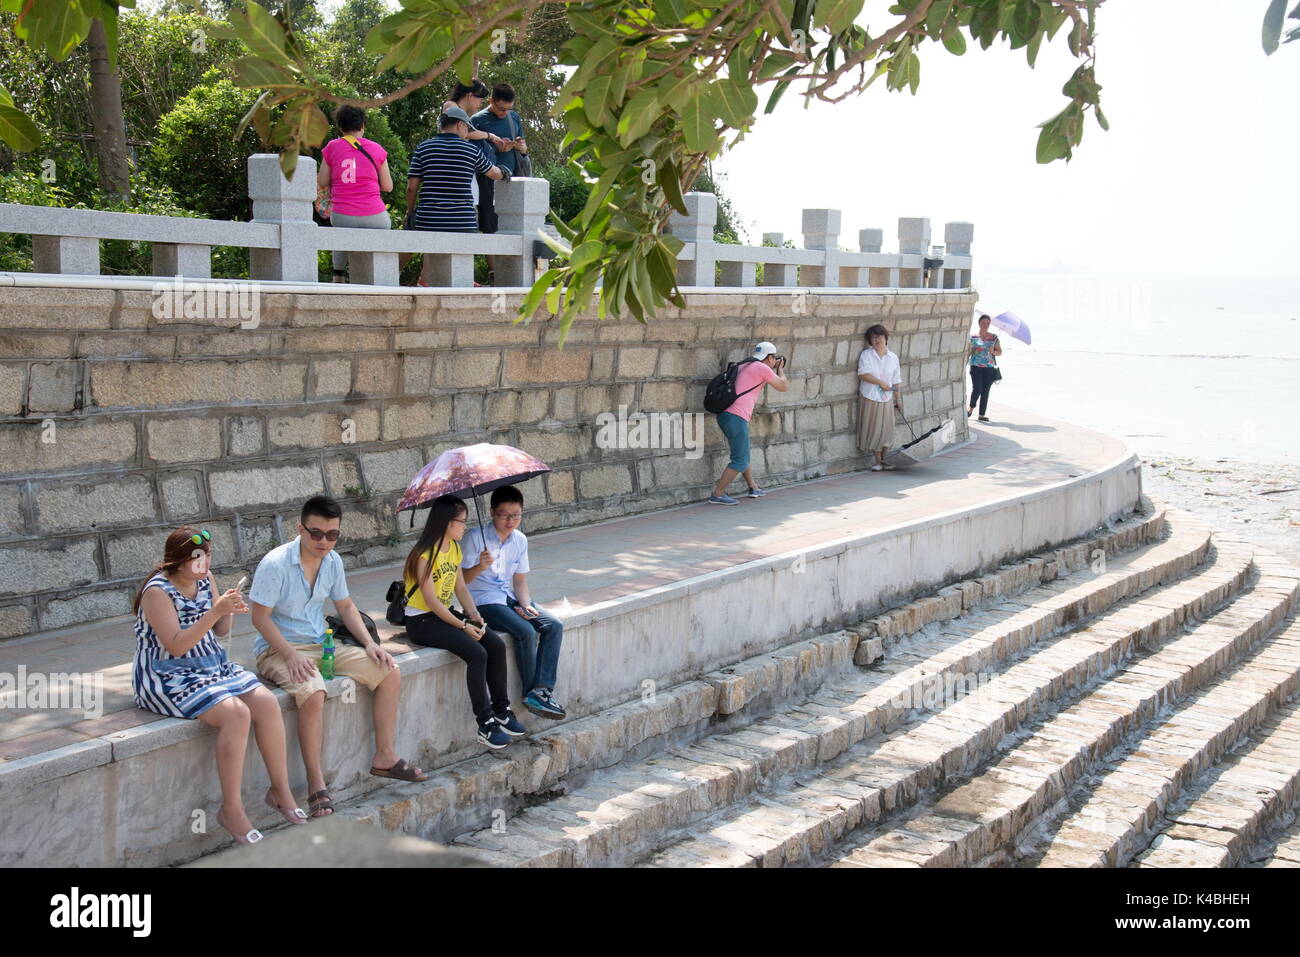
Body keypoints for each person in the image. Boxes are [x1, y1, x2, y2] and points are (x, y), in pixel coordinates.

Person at [249, 495, 425, 821]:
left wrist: (370, 644)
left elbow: (345, 606)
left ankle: (385, 756)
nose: (324, 541)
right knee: (314, 692)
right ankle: (317, 783)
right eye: (316, 533)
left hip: (320, 642)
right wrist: (289, 655)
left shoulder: (332, 561)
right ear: (300, 529)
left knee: (389, 670)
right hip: (278, 648)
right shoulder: (275, 564)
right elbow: (259, 618)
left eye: (333, 535)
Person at [132, 526, 303, 846]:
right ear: (178, 561)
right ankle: (232, 810)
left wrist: (230, 608)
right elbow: (177, 645)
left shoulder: (205, 580)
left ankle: (280, 790)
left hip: (211, 666)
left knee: (265, 702)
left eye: (207, 555)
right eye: (197, 557)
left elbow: (220, 630)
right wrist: (215, 611)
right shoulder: (156, 592)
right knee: (236, 714)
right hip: (167, 674)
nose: (205, 563)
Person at [401, 494, 527, 749]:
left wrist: (473, 615)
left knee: (495, 645)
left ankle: (502, 710)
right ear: (446, 522)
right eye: (461, 522)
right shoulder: (423, 555)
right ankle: (485, 723)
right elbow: (432, 602)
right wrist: (462, 626)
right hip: (422, 621)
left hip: (446, 614)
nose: (464, 527)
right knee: (476, 653)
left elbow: (460, 588)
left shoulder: (454, 548)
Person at [461, 485, 566, 720]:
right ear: (492, 512)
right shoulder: (474, 538)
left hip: (509, 596)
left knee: (553, 625)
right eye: (504, 515)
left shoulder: (520, 540)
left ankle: (543, 690)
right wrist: (480, 565)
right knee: (525, 631)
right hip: (484, 600)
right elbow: (461, 583)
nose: (510, 521)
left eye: (516, 515)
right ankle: (531, 693)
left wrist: (526, 604)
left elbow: (519, 580)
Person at [317, 105, 394, 283]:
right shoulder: (376, 149)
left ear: (340, 127)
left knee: (341, 233)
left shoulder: (332, 147)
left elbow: (322, 181)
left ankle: (338, 274)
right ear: (362, 125)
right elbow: (388, 186)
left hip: (342, 213)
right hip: (374, 215)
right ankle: (381, 276)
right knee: (385, 226)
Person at [709, 341, 789, 505]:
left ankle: (753, 487)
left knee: (742, 453)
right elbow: (783, 386)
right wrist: (780, 369)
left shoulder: (745, 365)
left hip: (726, 415)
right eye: (774, 358)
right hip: (736, 416)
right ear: (769, 357)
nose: (774, 361)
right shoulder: (762, 368)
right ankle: (717, 494)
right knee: (740, 459)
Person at [469, 83, 528, 276]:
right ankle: (495, 272)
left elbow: (525, 148)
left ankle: (513, 271)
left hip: (512, 179)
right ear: (491, 101)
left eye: (508, 109)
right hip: (487, 179)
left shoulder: (514, 117)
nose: (504, 113)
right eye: (501, 108)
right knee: (489, 225)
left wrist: (519, 147)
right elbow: (472, 151)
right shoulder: (477, 120)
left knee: (513, 225)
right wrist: (496, 147)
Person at [856, 324, 903, 471]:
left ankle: (884, 459)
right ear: (870, 340)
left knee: (887, 429)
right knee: (875, 429)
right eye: (873, 338)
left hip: (887, 398)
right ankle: (878, 461)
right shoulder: (867, 355)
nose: (877, 340)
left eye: (880, 336)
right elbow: (863, 374)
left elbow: (896, 380)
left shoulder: (893, 357)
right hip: (870, 396)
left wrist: (898, 400)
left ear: (885, 338)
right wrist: (880, 382)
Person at [968, 313, 1003, 423]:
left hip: (989, 368)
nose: (985, 325)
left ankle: (982, 414)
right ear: (979, 323)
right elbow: (969, 352)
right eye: (983, 323)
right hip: (975, 366)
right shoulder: (973, 337)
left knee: (985, 391)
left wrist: (993, 351)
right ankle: (970, 409)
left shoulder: (994, 337)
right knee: (977, 388)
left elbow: (1000, 352)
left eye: (987, 323)